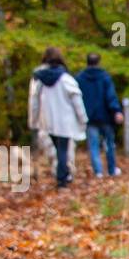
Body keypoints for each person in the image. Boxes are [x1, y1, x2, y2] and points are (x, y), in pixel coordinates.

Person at [27, 47, 87, 188]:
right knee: (63, 150)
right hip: (65, 121)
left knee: (57, 150)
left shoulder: (38, 80)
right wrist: (83, 119)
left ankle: (62, 174)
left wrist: (34, 120)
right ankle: (62, 179)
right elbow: (77, 100)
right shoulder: (66, 79)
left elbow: (34, 102)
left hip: (47, 121)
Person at [76, 52, 124, 178]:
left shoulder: (80, 78)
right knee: (109, 144)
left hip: (89, 117)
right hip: (105, 117)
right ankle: (112, 170)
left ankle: (98, 171)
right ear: (98, 62)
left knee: (93, 146)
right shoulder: (105, 77)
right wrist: (116, 111)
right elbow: (111, 96)